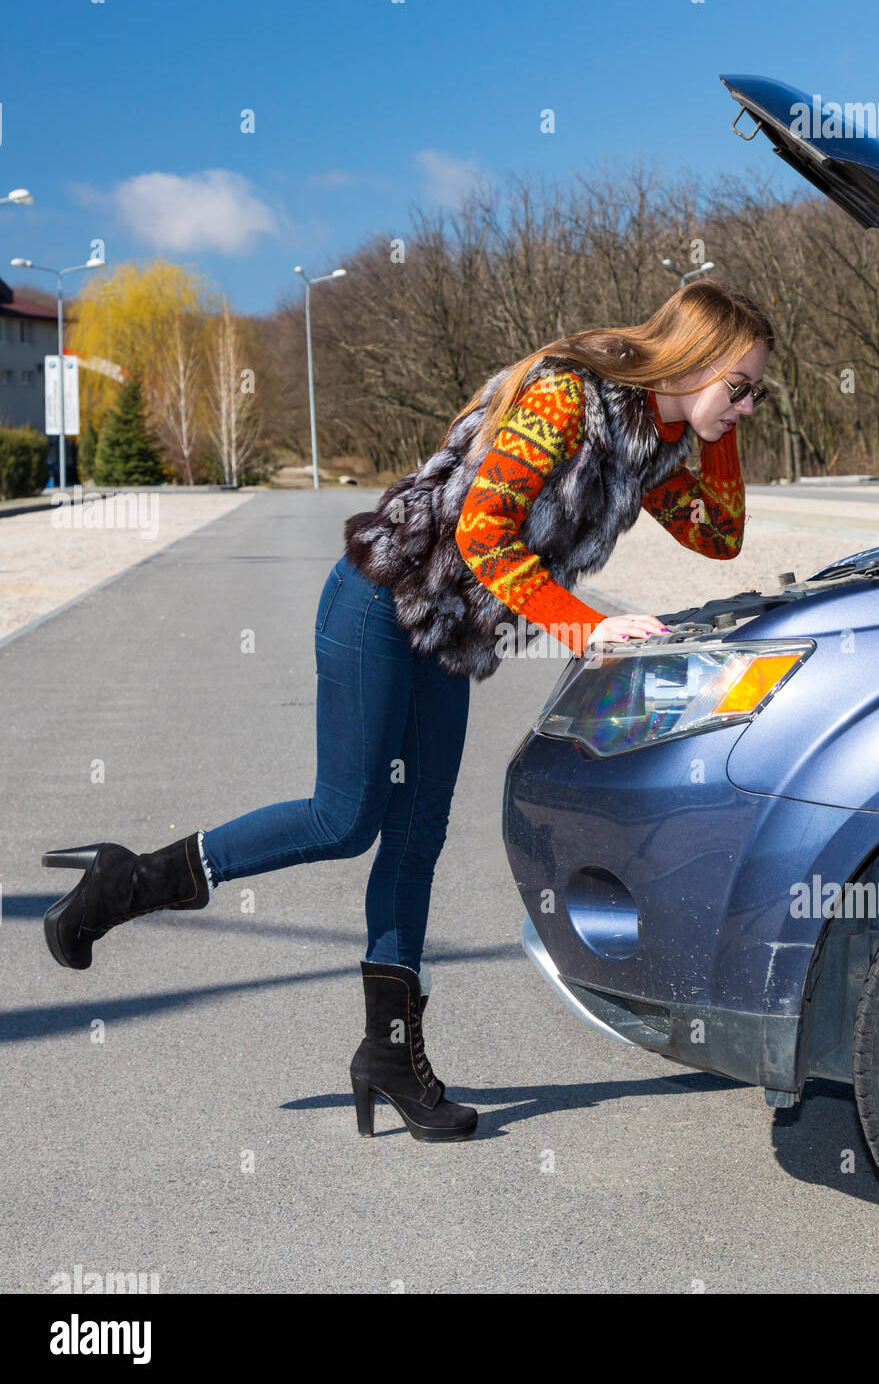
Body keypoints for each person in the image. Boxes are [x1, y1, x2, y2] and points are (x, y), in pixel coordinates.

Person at [40, 280, 773, 1144]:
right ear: (687, 357)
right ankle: (130, 879)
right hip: (380, 603)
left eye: (759, 391)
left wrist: (710, 418)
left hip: (449, 635)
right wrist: (585, 626)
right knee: (345, 817)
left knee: (418, 837)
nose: (751, 405)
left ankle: (390, 1054)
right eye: (741, 384)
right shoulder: (568, 395)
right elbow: (482, 532)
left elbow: (718, 534)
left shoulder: (655, 438)